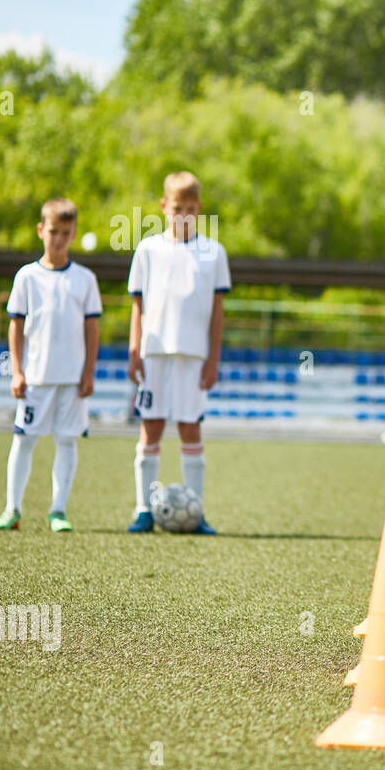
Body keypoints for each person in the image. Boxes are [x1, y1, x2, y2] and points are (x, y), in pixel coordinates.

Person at [125, 171, 230, 534]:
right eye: (176, 208)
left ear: (199, 209)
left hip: (193, 356)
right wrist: (134, 349)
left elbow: (217, 310)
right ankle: (143, 509)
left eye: (189, 208)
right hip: (154, 353)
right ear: (163, 207)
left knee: (190, 429)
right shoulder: (147, 249)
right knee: (150, 427)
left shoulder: (214, 253)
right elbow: (137, 304)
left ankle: (196, 511)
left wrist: (213, 357)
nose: (182, 214)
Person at [0, 199, 100, 532]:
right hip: (35, 378)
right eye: (53, 232)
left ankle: (58, 511)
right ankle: (12, 509)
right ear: (41, 230)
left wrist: (88, 372)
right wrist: (18, 371)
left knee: (66, 441)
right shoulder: (27, 277)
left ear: (74, 234)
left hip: (71, 379)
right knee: (23, 440)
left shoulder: (85, 279)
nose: (59, 239)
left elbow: (92, 329)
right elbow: (15, 325)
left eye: (66, 233)